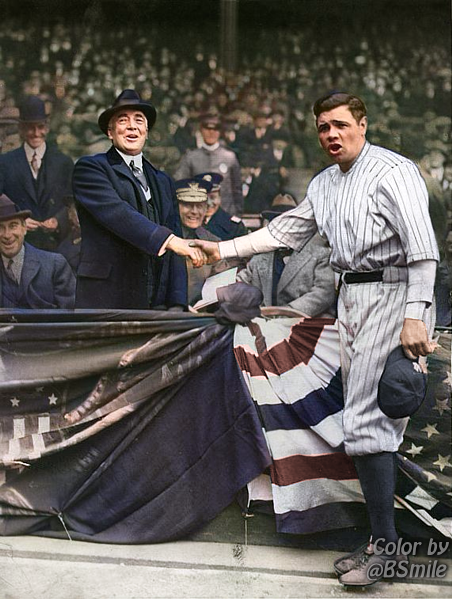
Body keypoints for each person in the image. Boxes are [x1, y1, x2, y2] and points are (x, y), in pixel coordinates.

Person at [193, 92, 439, 587]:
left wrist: (416, 314)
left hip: (393, 294)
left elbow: (423, 250)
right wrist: (220, 248)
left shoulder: (394, 171)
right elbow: (284, 232)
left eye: (341, 124)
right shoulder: (325, 183)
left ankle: (386, 547)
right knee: (362, 419)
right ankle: (379, 540)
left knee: (374, 419)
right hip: (351, 297)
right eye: (324, 126)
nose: (331, 134)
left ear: (363, 124)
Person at [72, 89, 204, 310]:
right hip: (106, 301)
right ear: (110, 132)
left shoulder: (163, 181)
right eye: (123, 120)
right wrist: (169, 241)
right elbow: (118, 213)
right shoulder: (90, 169)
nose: (132, 126)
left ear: (146, 131)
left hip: (155, 304)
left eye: (139, 120)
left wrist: (177, 303)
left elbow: (175, 251)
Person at [237, 193, 336, 317]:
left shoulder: (319, 253)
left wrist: (287, 312)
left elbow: (323, 293)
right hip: (265, 324)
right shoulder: (261, 256)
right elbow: (241, 283)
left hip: (305, 325)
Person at [0, 95, 74, 253]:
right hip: (20, 247)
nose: (35, 133)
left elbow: (73, 201)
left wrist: (58, 220)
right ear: (21, 129)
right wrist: (18, 220)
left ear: (47, 127)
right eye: (30, 127)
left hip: (57, 247)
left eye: (40, 127)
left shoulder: (63, 162)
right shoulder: (5, 163)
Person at [0, 194, 75, 309]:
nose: (7, 235)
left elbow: (72, 317)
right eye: (0, 228)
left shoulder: (55, 265)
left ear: (24, 228)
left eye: (13, 226)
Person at [176, 177, 233, 305]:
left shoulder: (212, 242)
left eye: (200, 206)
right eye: (187, 205)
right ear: (177, 206)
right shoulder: (167, 239)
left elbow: (223, 285)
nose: (194, 211)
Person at [174, 114, 244, 217]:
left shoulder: (229, 157)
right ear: (201, 130)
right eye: (207, 129)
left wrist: (237, 213)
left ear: (220, 132)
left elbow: (237, 189)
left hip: (226, 213)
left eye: (215, 129)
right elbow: (180, 184)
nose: (211, 133)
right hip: (198, 214)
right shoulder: (191, 157)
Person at [194, 172, 248, 241]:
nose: (208, 203)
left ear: (220, 197)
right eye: (203, 198)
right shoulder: (190, 222)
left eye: (213, 197)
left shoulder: (234, 226)